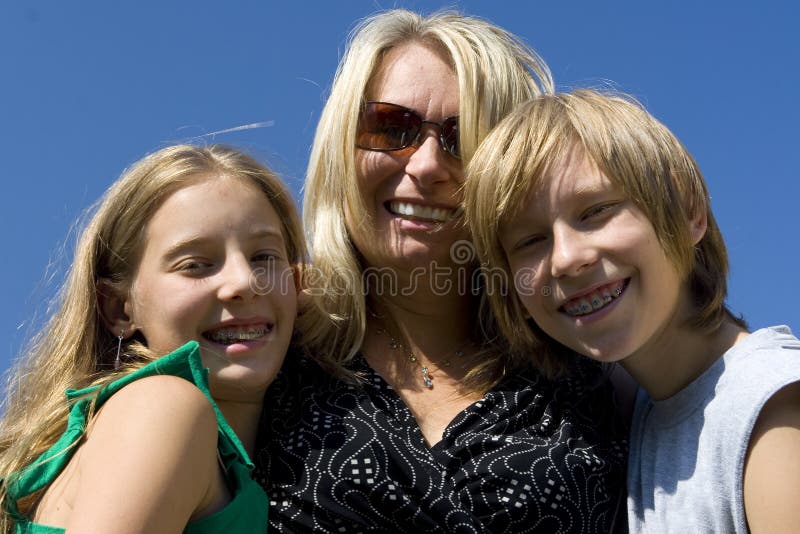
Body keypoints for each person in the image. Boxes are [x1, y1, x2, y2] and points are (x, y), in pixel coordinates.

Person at [255, 10, 628, 533]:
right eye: (391, 127)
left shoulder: (598, 357)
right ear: (340, 146)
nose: (427, 164)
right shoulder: (265, 345)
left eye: (464, 138)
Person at [464, 89, 800, 533]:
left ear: (687, 211)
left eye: (596, 211)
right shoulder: (637, 414)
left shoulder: (772, 408)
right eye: (530, 241)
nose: (566, 258)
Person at [0, 144, 308, 533]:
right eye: (195, 265)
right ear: (119, 310)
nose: (245, 282)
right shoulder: (164, 407)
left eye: (264, 257)